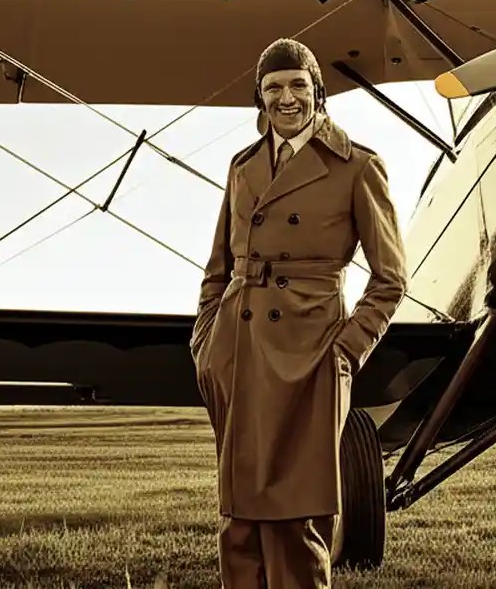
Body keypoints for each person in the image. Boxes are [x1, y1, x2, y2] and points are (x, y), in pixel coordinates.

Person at [190, 38, 407, 588]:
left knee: (296, 518)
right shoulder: (242, 167)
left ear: (317, 91)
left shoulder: (358, 166)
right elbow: (219, 264)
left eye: (297, 86)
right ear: (259, 99)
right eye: (272, 89)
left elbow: (390, 279)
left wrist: (346, 351)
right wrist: (206, 340)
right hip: (237, 348)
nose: (286, 99)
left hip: (312, 354)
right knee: (238, 520)